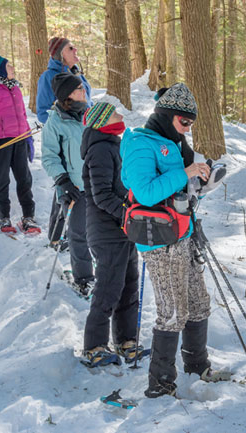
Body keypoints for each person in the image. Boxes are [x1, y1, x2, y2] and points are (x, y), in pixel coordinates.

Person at [120, 83, 231, 398]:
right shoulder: (141, 144)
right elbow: (145, 192)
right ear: (168, 116)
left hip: (182, 232)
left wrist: (203, 181)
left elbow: (182, 184)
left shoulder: (173, 141)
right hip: (158, 239)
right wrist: (186, 172)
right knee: (172, 312)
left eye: (191, 124)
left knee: (198, 303)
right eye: (184, 122)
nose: (188, 128)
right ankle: (160, 385)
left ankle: (197, 368)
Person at [79, 102, 144, 366]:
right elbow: (102, 194)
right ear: (103, 120)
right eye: (115, 113)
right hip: (107, 232)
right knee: (108, 289)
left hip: (123, 230)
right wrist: (128, 214)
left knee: (129, 287)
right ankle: (94, 346)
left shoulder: (114, 146)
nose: (121, 116)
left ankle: (126, 342)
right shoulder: (100, 149)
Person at [36, 37, 93, 245]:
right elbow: (42, 110)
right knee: (65, 186)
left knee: (79, 184)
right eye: (70, 48)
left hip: (83, 130)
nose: (75, 50)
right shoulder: (48, 77)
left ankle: (78, 233)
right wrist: (59, 123)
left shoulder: (77, 74)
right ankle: (56, 236)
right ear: (60, 53)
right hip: (62, 136)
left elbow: (88, 101)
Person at [41, 72, 95, 290]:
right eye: (78, 89)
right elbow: (49, 157)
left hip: (96, 183)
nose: (84, 91)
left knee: (100, 233)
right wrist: (62, 181)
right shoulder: (55, 123)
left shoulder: (90, 114)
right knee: (78, 234)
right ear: (67, 96)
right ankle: (84, 280)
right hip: (74, 187)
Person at [0, 56, 39, 234]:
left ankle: (28, 217)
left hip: (18, 139)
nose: (12, 68)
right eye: (8, 66)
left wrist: (28, 137)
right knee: (2, 180)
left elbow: (22, 116)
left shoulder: (15, 89)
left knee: (24, 178)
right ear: (1, 70)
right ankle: (3, 217)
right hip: (1, 141)